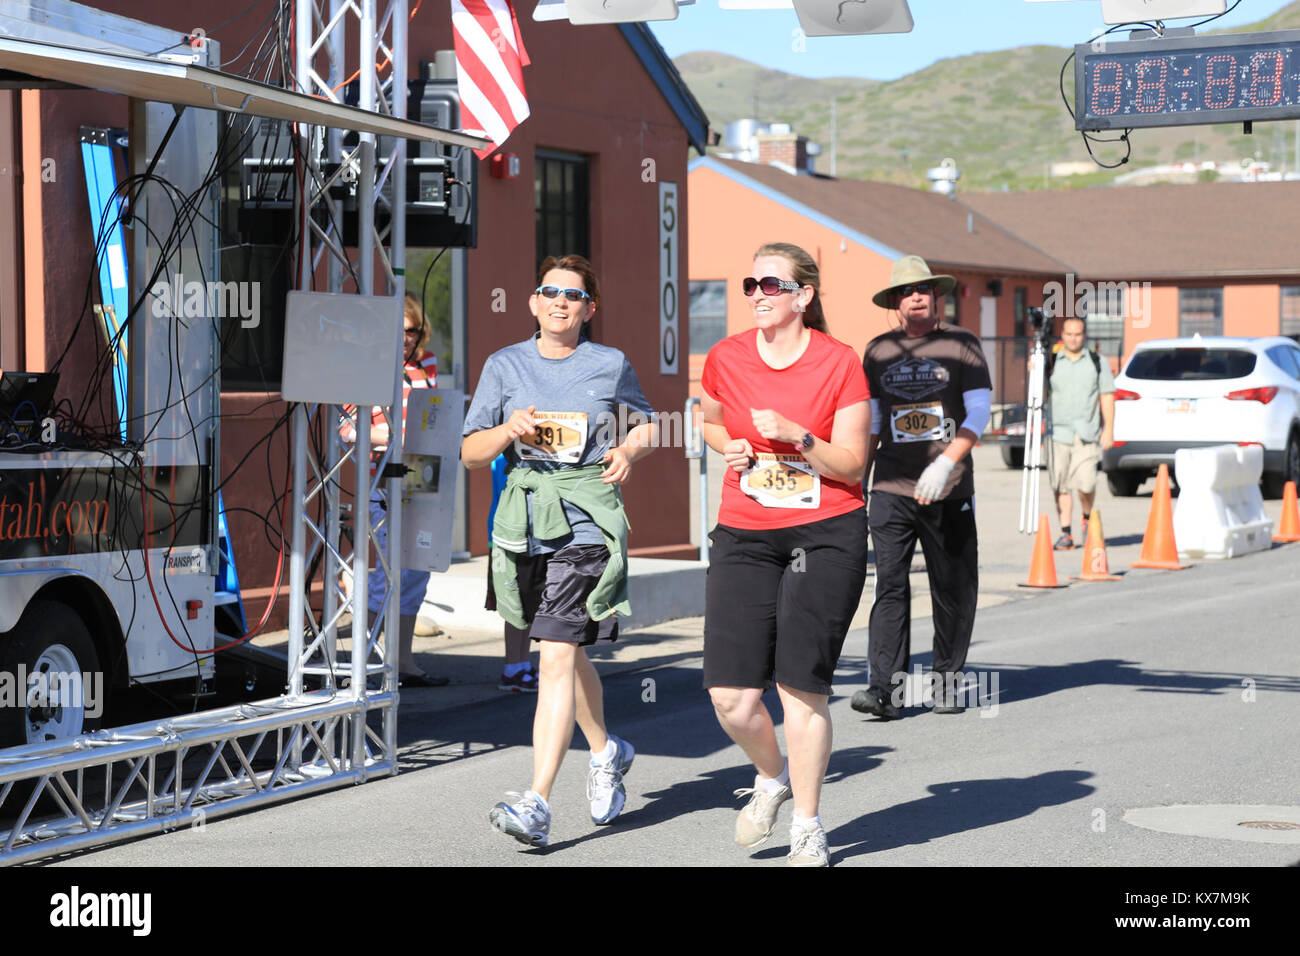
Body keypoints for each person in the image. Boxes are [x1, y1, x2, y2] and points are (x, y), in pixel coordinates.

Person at [461, 254, 658, 848]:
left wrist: (629, 451)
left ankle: (537, 802)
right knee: (566, 651)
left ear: (588, 309)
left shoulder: (609, 363)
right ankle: (606, 750)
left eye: (572, 296)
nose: (559, 302)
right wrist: (507, 431)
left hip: (586, 522)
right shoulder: (505, 365)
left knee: (552, 655)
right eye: (549, 292)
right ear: (532, 302)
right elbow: (472, 453)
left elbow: (647, 423)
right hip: (525, 521)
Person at [700, 242, 870, 867]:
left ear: (804, 296)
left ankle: (807, 824)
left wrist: (800, 439)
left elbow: (853, 463)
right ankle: (771, 777)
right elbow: (709, 417)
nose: (758, 295)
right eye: (750, 284)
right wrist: (730, 448)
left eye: (771, 285)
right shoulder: (725, 357)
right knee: (731, 697)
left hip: (826, 530)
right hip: (746, 529)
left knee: (800, 687)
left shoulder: (839, 363)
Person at [850, 255, 992, 720]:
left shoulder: (961, 344)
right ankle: (884, 691)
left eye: (924, 290)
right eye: (907, 291)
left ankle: (948, 683)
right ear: (895, 301)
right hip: (891, 486)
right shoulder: (877, 351)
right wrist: (858, 480)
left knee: (951, 586)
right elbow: (870, 422)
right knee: (889, 585)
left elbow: (978, 414)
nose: (916, 297)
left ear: (936, 298)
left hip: (948, 488)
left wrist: (948, 460)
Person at [340, 293, 446, 687]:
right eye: (396, 331)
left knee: (417, 570)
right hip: (383, 476)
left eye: (412, 331)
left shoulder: (426, 365)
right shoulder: (366, 369)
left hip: (424, 473)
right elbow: (346, 429)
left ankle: (403, 662)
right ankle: (366, 660)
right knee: (387, 571)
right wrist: (393, 435)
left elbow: (435, 415)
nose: (404, 338)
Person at [1046, 317, 1115, 550]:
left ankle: (1086, 517)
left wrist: (1109, 430)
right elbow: (1035, 392)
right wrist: (1034, 370)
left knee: (1086, 484)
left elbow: (1106, 396)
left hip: (1086, 432)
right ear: (1062, 335)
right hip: (1058, 433)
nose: (1073, 338)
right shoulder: (1052, 361)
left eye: (1077, 334)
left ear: (1083, 336)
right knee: (1060, 484)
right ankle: (1066, 533)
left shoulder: (1097, 362)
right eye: (1069, 334)